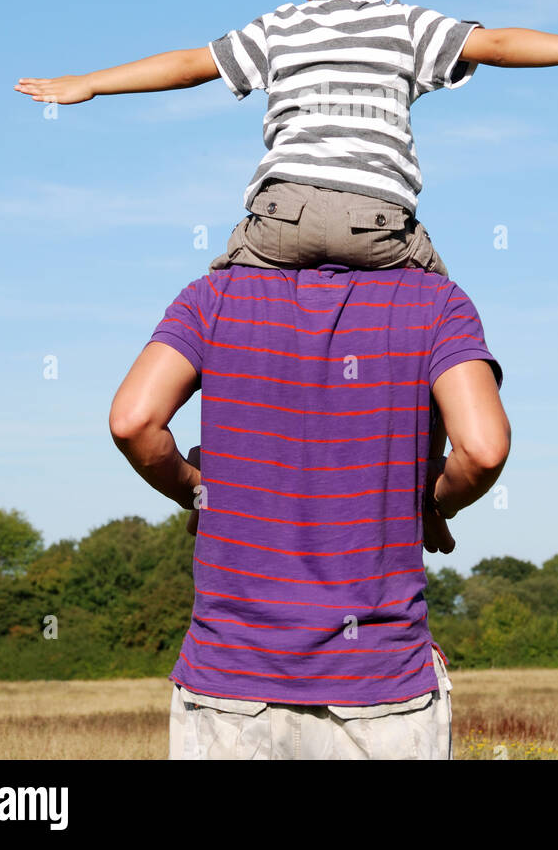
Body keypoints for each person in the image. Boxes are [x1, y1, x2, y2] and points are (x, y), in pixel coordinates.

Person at [14, 0, 558, 279]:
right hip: (377, 220)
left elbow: (189, 63)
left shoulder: (280, 25)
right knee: (444, 325)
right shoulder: (407, 22)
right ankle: (426, 479)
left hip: (279, 219)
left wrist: (90, 84)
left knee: (217, 309)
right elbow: (496, 44)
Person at [109, 258, 511, 760]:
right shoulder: (435, 302)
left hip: (230, 686)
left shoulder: (213, 296)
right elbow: (482, 450)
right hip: (382, 689)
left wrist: (199, 489)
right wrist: (431, 497)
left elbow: (133, 422)